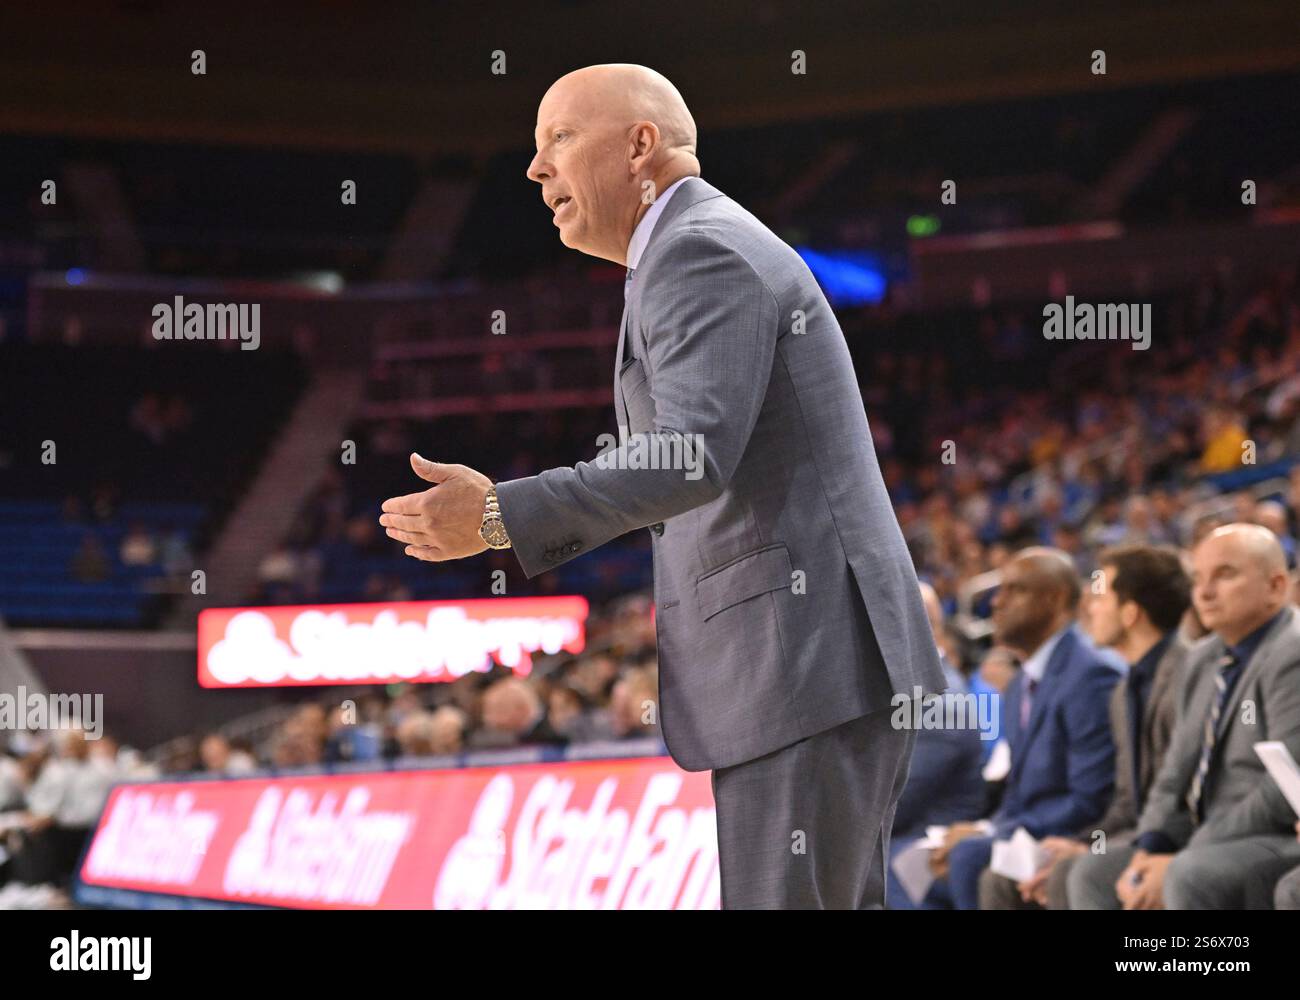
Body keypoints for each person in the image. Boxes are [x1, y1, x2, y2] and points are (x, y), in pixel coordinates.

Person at [376, 63, 944, 908]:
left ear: (640, 145)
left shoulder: (696, 248)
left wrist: (501, 513)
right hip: (807, 658)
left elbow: (688, 457)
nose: (537, 170)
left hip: (803, 654)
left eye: (559, 140)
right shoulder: (690, 248)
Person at [1069, 524, 1300, 909]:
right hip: (1198, 834)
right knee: (1092, 871)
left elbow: (1281, 791)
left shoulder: (1291, 654)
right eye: (1198, 579)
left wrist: (1183, 853)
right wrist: (1150, 845)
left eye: (1225, 575)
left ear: (1276, 586)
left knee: (1189, 873)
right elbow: (1173, 774)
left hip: (1271, 835)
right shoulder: (1201, 660)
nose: (1205, 593)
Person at [980, 544, 1192, 909]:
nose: (1088, 608)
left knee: (1077, 871)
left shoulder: (1184, 675)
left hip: (1175, 837)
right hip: (1133, 832)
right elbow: (1126, 804)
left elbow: (1180, 796)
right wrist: (1085, 843)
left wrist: (1114, 848)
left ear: (1129, 613)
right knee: (1020, 871)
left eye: (1099, 597)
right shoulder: (1126, 687)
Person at [929, 547, 1123, 909]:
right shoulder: (1019, 684)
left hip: (1082, 832)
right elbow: (1018, 791)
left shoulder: (1091, 674)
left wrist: (994, 833)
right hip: (1031, 830)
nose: (997, 603)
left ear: (1055, 597)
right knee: (932, 863)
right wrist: (987, 827)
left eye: (1014, 590)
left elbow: (1091, 798)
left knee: (969, 857)